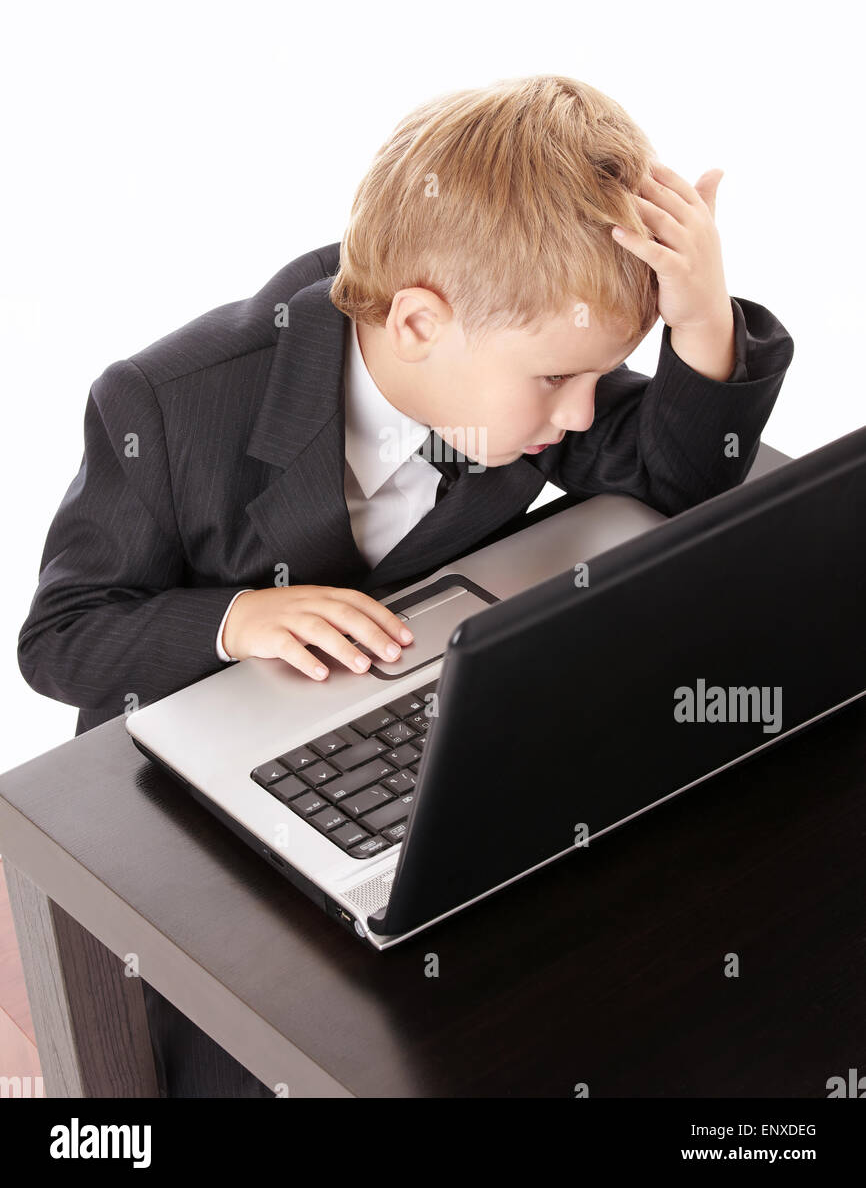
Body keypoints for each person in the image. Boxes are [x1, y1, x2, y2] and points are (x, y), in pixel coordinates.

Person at [17, 73, 794, 1095]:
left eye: (595, 374)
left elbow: (673, 478)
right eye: (556, 381)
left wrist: (700, 323)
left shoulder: (511, 352)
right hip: (191, 799)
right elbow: (62, 638)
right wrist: (236, 619)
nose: (579, 413)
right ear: (419, 324)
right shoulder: (163, 407)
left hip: (395, 727)